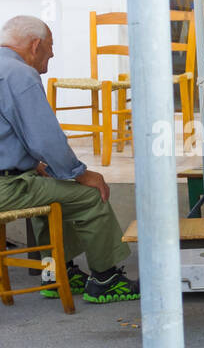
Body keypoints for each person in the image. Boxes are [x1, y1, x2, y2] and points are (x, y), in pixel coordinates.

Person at [0, 15, 140, 303]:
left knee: (45, 188)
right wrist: (81, 173)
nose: (52, 53)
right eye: (50, 46)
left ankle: (56, 271)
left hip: (11, 180)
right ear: (35, 45)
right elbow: (45, 139)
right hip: (6, 189)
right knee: (89, 195)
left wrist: (36, 163)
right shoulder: (18, 74)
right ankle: (106, 279)